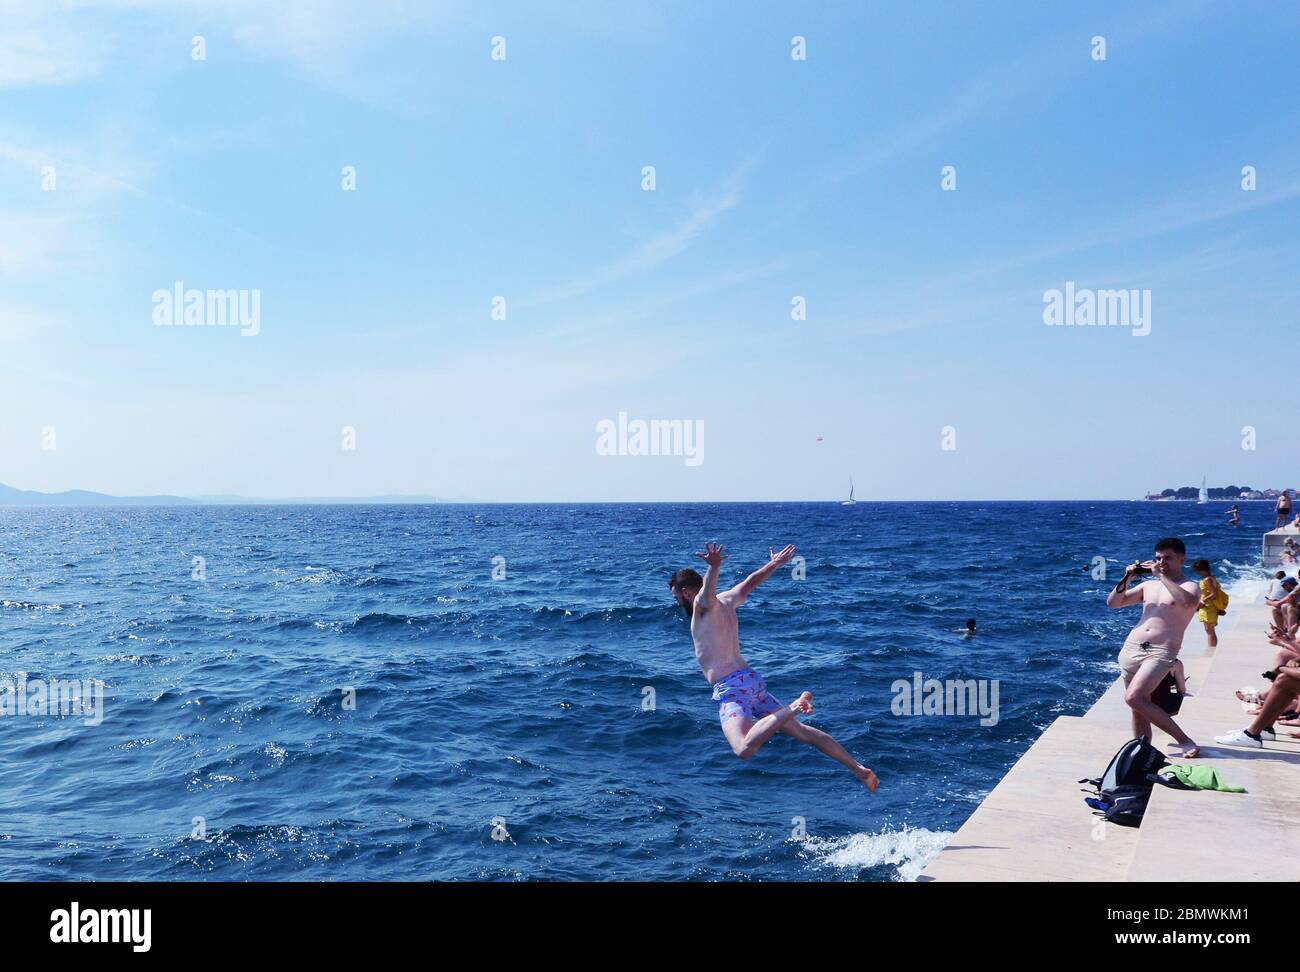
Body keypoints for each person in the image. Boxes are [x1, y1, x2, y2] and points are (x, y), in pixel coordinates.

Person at [668, 542, 879, 790]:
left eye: (676, 598)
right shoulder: (727, 600)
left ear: (685, 592)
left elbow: (705, 596)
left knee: (743, 748)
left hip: (732, 689)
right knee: (803, 733)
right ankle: (859, 769)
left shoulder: (703, 607)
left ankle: (794, 706)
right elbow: (750, 582)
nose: (677, 603)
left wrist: (714, 568)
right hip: (750, 680)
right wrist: (774, 564)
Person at [1105, 537, 1201, 757]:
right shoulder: (1149, 585)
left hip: (1161, 651)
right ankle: (1142, 752)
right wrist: (1128, 576)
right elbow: (1113, 603)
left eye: (1167, 558)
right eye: (1158, 558)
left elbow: (1187, 603)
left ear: (1182, 559)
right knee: (1137, 709)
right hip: (1133, 647)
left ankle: (1184, 740)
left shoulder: (1190, 586)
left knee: (1134, 697)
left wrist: (1161, 575)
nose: (1161, 562)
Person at [1191, 559, 1224, 648]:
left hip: (1208, 608)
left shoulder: (1207, 580)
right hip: (1210, 607)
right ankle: (1212, 648)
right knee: (1210, 630)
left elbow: (1214, 594)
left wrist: (1202, 602)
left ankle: (1211, 650)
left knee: (1209, 631)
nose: (1198, 573)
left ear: (1201, 570)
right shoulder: (1212, 578)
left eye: (1198, 571)